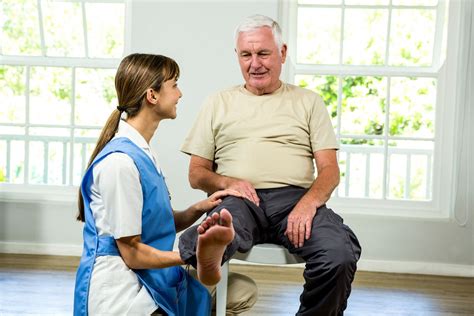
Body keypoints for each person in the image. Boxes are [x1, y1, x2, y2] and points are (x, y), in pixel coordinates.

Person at [179, 15, 362, 316]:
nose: (255, 63)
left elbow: (330, 170)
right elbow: (196, 174)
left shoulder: (309, 102)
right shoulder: (218, 102)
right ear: (236, 56)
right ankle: (205, 252)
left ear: (283, 53)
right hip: (239, 199)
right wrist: (228, 183)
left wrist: (309, 204)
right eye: (246, 55)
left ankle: (200, 251)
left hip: (295, 201)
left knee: (339, 253)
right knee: (222, 227)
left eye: (263, 53)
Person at [73, 53, 257, 316]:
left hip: (152, 273)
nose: (180, 94)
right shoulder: (120, 164)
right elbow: (132, 254)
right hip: (123, 289)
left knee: (242, 291)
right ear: (152, 95)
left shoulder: (143, 152)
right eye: (174, 84)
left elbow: (155, 222)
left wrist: (198, 208)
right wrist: (193, 256)